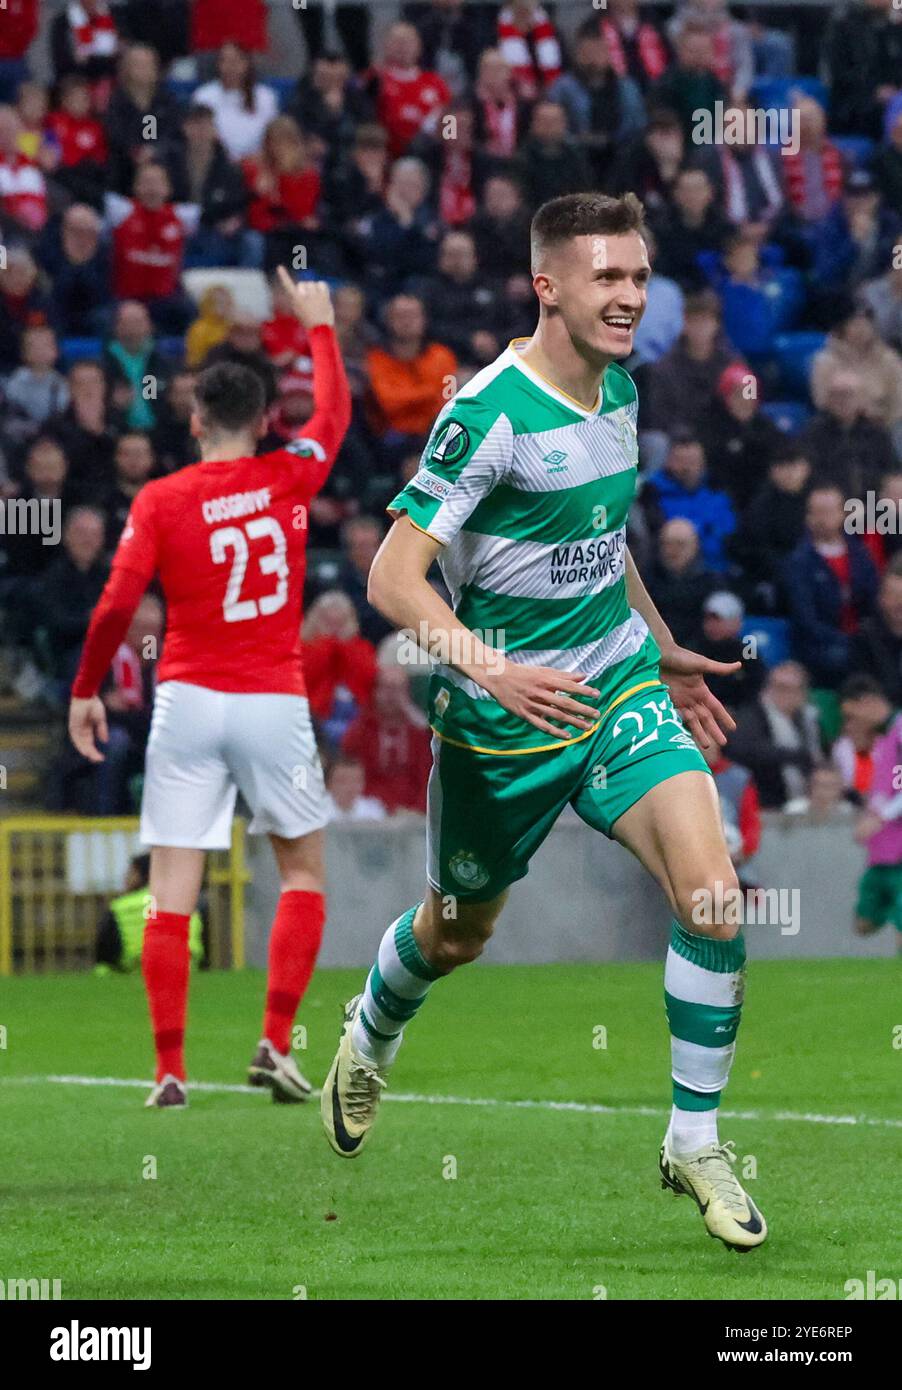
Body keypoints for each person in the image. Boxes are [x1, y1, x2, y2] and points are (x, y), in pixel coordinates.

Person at [320, 192, 768, 1254]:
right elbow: (391, 577)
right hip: (498, 722)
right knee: (457, 933)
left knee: (710, 893)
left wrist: (651, 641)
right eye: (605, 277)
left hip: (611, 685)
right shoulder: (486, 412)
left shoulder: (618, 388)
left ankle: (693, 1140)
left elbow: (601, 540)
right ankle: (373, 1025)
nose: (626, 295)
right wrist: (496, 669)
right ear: (547, 286)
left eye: (636, 275)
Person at [68, 271, 351, 1108]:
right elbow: (332, 417)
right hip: (272, 698)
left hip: (187, 698)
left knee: (171, 888)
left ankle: (168, 1067)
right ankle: (272, 1042)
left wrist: (87, 687)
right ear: (266, 423)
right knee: (301, 874)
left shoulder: (159, 498)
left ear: (192, 422)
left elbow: (118, 601)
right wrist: (320, 327)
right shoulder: (289, 475)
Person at [784, 485, 879, 688]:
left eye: (828, 512)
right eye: (816, 512)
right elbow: (806, 619)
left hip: (862, 637)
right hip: (820, 645)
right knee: (846, 657)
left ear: (843, 514)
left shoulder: (860, 554)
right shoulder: (799, 561)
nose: (822, 519)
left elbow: (874, 599)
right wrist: (849, 640)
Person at [726, 661, 823, 810]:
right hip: (765, 798)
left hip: (804, 801)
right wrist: (795, 756)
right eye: (778, 687)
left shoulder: (809, 720)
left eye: (790, 689)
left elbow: (819, 756)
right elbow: (746, 749)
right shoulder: (753, 715)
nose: (783, 695)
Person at [96, 853, 204, 974]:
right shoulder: (185, 903)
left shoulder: (120, 907)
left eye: (130, 873)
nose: (125, 878)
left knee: (102, 970)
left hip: (135, 975)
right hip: (184, 974)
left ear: (140, 875)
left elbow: (105, 952)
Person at [853, 710, 902, 950]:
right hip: (883, 849)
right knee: (864, 923)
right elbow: (884, 785)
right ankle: (891, 909)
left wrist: (879, 818)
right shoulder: (888, 737)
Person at [192, 42, 278, 163]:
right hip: (217, 163)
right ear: (218, 64)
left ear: (247, 63)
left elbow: (272, 135)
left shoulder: (265, 96)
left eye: (236, 60)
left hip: (257, 163)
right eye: (225, 60)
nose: (230, 67)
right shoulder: (204, 96)